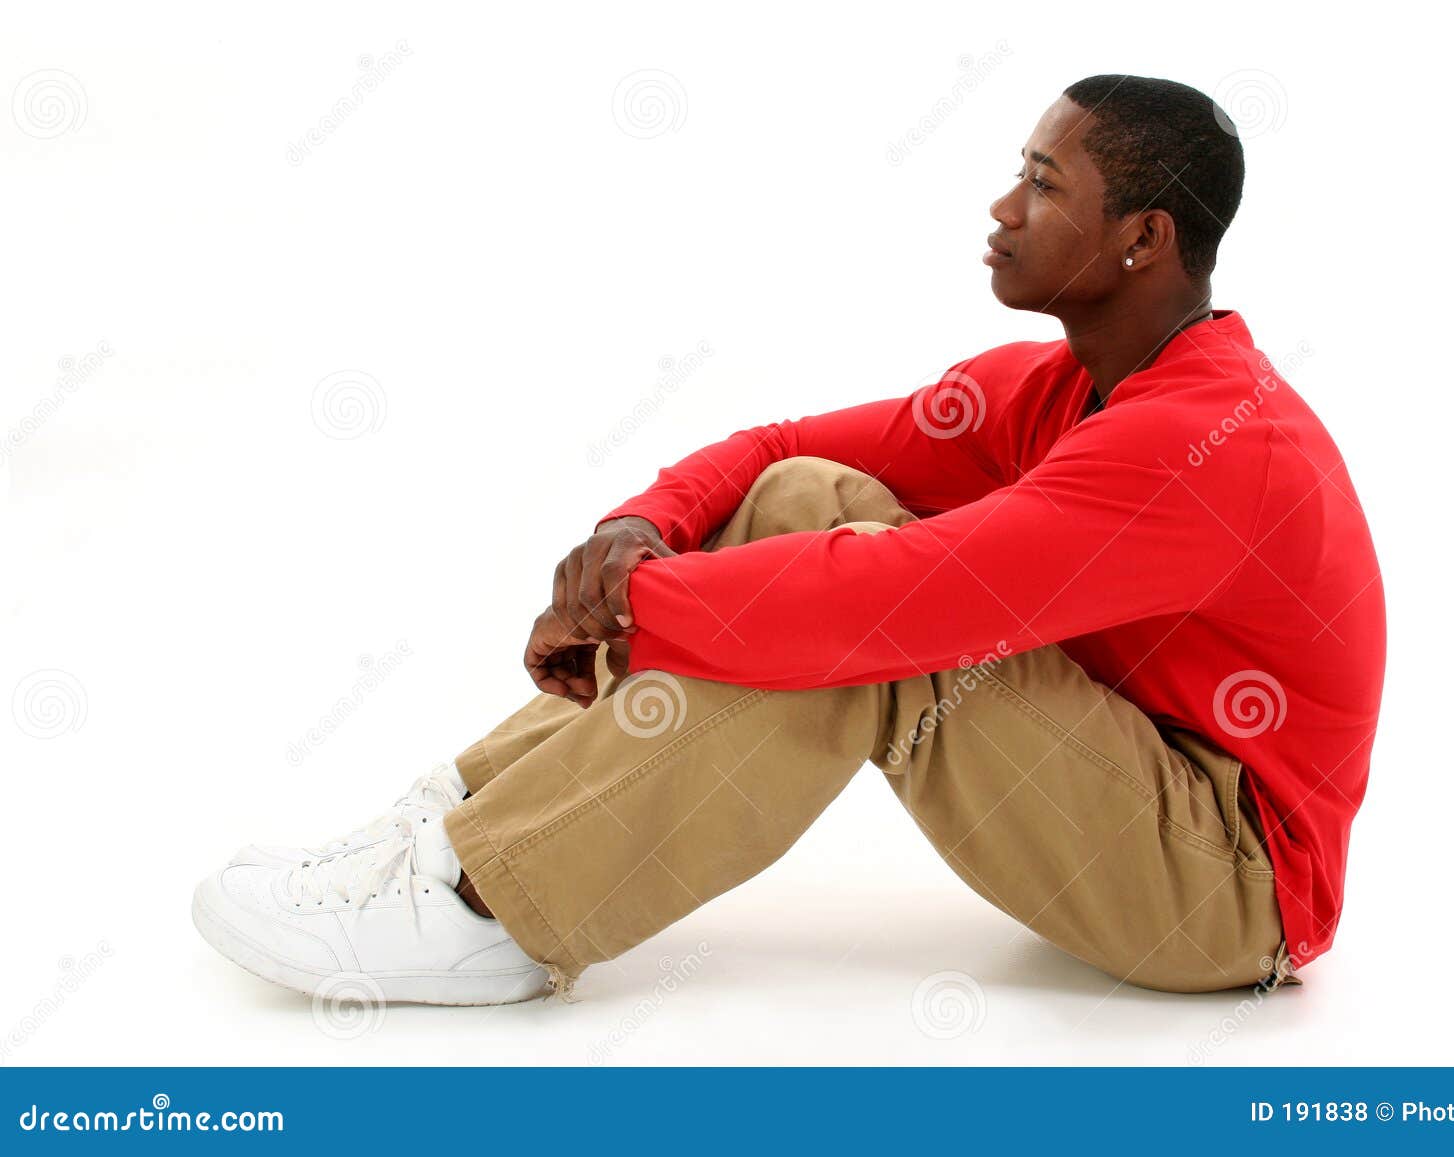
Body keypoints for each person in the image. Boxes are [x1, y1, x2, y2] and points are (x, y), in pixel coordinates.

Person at [192, 74, 1386, 1006]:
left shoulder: (1204, 441)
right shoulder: (1058, 387)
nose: (1000, 208)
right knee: (809, 495)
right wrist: (638, 528)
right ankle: (460, 818)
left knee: (878, 635)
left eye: (1042, 183)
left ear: (1142, 238)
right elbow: (781, 447)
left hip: (1225, 888)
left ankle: (491, 909)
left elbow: (893, 606)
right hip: (1132, 791)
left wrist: (632, 610)